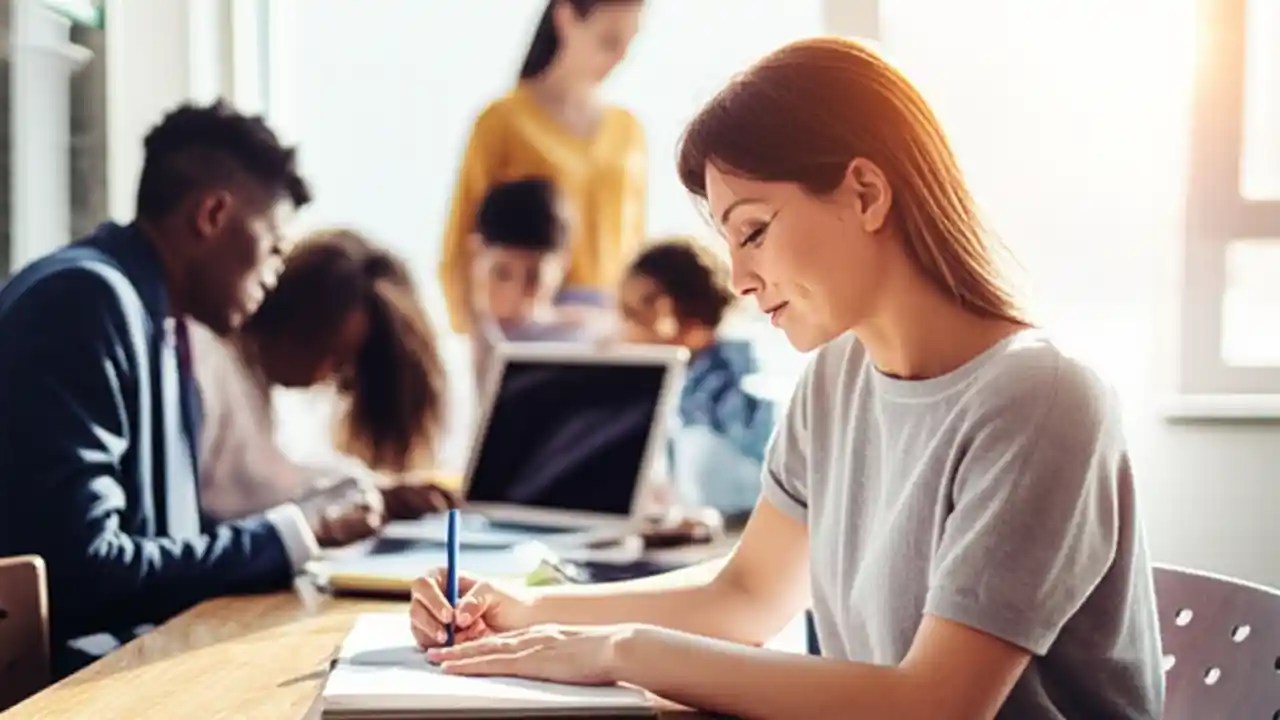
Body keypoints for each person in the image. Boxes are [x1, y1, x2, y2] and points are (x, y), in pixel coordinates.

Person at [408, 38, 1163, 719]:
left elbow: (936, 706)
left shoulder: (1042, 398)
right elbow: (746, 597)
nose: (737, 277)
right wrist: (525, 611)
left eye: (755, 231)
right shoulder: (837, 377)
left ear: (866, 194)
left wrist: (621, 651)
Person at [0, 102, 374, 677]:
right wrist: (298, 532)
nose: (275, 272)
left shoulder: (161, 326)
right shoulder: (84, 300)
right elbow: (85, 571)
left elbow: (161, 548)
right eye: (274, 244)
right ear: (212, 214)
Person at [193, 228, 455, 532]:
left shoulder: (254, 380)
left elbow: (275, 476)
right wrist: (369, 495)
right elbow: (245, 492)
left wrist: (379, 491)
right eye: (335, 358)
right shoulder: (209, 361)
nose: (334, 380)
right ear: (298, 321)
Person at [439, 0, 646, 335]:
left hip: (608, 326)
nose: (620, 56)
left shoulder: (629, 131)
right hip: (526, 321)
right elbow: (461, 245)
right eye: (608, 40)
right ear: (565, 18)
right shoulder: (503, 121)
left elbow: (635, 242)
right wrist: (477, 340)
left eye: (628, 43)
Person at [619, 238, 775, 521]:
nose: (625, 332)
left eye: (634, 315)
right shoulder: (684, 379)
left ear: (670, 314)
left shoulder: (731, 386)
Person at [467, 178, 612, 388]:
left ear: (563, 265)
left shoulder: (593, 339)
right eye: (501, 273)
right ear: (475, 254)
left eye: (534, 278)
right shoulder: (448, 346)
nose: (514, 293)